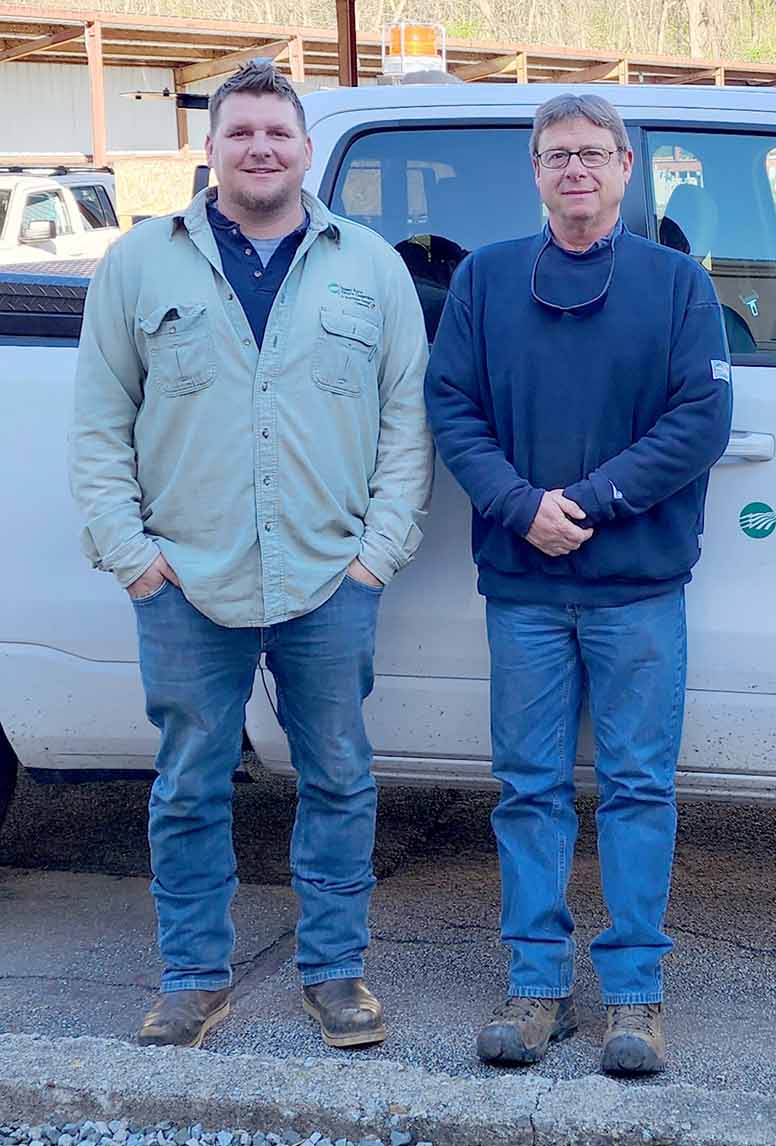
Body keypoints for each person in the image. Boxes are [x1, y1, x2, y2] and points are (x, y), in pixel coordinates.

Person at [68, 61, 434, 1051]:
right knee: (188, 783)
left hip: (330, 578)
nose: (262, 149)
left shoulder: (370, 267)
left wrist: (377, 554)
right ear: (211, 147)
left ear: (307, 149)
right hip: (185, 577)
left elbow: (408, 424)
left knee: (339, 778)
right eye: (243, 133)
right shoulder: (142, 265)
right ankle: (191, 979)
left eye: (279, 133)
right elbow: (100, 426)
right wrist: (133, 558)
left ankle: (336, 974)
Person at [424, 92, 732, 1075]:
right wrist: (519, 506)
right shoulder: (484, 280)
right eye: (556, 155)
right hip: (521, 587)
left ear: (626, 167)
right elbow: (451, 407)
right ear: (534, 169)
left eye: (593, 154)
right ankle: (536, 990)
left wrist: (589, 501)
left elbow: (697, 425)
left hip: (636, 588)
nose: (575, 171)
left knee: (638, 789)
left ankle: (634, 997)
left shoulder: (677, 285)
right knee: (527, 792)